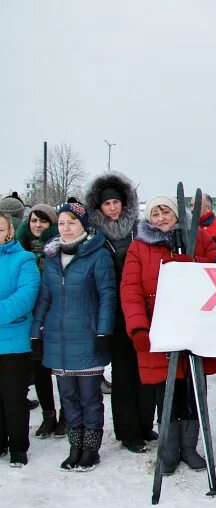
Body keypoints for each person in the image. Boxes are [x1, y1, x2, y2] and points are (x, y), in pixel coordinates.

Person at [120, 195, 216, 475]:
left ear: (177, 214)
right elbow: (130, 290)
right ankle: (169, 449)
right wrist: (139, 327)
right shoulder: (140, 247)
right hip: (160, 328)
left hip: (194, 328)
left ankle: (189, 446)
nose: (162, 218)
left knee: (192, 392)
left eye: (166, 212)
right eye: (155, 214)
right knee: (167, 392)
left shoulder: (198, 238)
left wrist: (193, 262)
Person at [31, 203, 116, 471]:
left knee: (89, 397)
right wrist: (37, 332)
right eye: (62, 223)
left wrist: (104, 331)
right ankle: (74, 446)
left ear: (83, 225)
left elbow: (107, 296)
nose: (66, 228)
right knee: (67, 396)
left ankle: (91, 448)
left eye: (72, 223)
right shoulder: (53, 257)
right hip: (58, 338)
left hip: (87, 336)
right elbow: (45, 297)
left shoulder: (97, 255)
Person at [84, 172, 156, 454]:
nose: (112, 208)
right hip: (113, 313)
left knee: (146, 372)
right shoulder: (94, 236)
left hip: (142, 312)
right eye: (107, 204)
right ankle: (128, 431)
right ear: (98, 207)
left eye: (117, 202)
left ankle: (145, 423)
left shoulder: (138, 230)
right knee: (124, 374)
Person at [16, 203, 64, 437]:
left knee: (63, 368)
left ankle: (66, 416)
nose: (37, 225)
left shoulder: (58, 248)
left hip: (56, 314)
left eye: (43, 221)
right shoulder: (20, 247)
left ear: (51, 224)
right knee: (40, 367)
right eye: (34, 220)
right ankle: (48, 415)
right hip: (30, 317)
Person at [0, 213, 40, 466]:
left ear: (9, 231)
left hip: (13, 341)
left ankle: (18, 446)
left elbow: (26, 295)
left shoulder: (23, 259)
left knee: (13, 396)